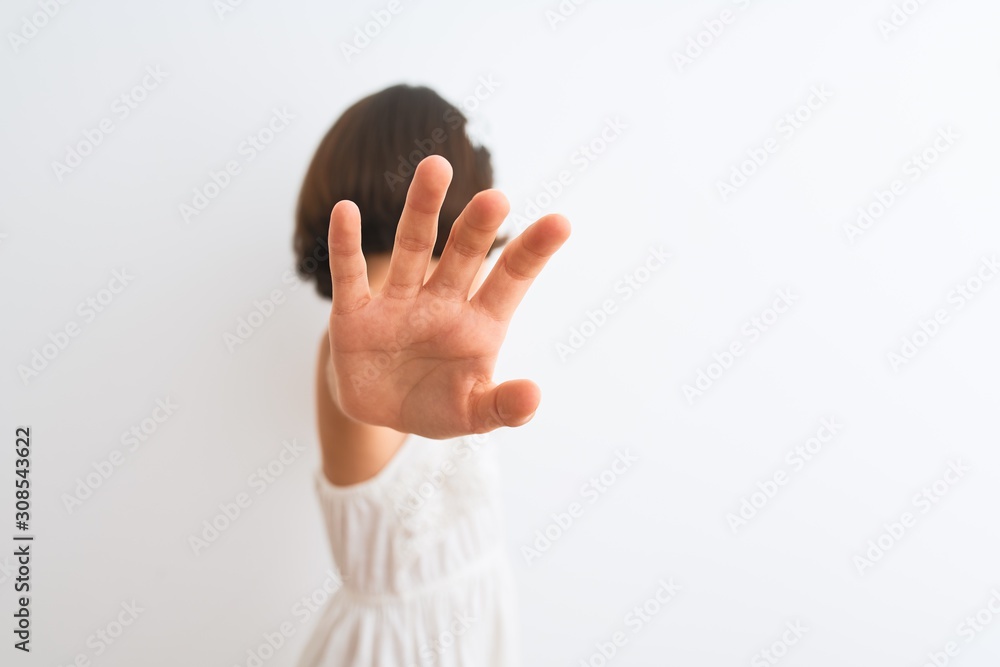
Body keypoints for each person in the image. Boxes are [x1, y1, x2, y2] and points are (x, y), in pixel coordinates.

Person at [291, 84, 571, 666]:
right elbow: (355, 398)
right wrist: (354, 394)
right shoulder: (350, 354)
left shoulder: (441, 335)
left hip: (472, 619)